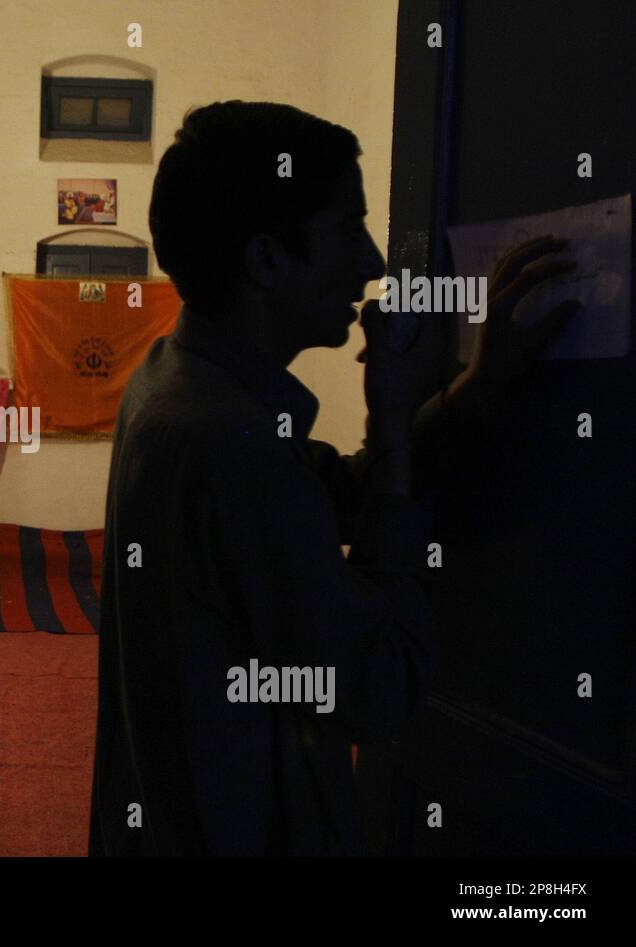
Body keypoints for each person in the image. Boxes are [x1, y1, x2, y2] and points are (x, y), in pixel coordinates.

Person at [89, 100, 579, 856]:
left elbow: (338, 496)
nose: (374, 264)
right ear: (266, 260)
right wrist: (394, 426)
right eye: (349, 229)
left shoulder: (177, 380)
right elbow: (382, 686)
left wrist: (462, 394)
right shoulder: (231, 440)